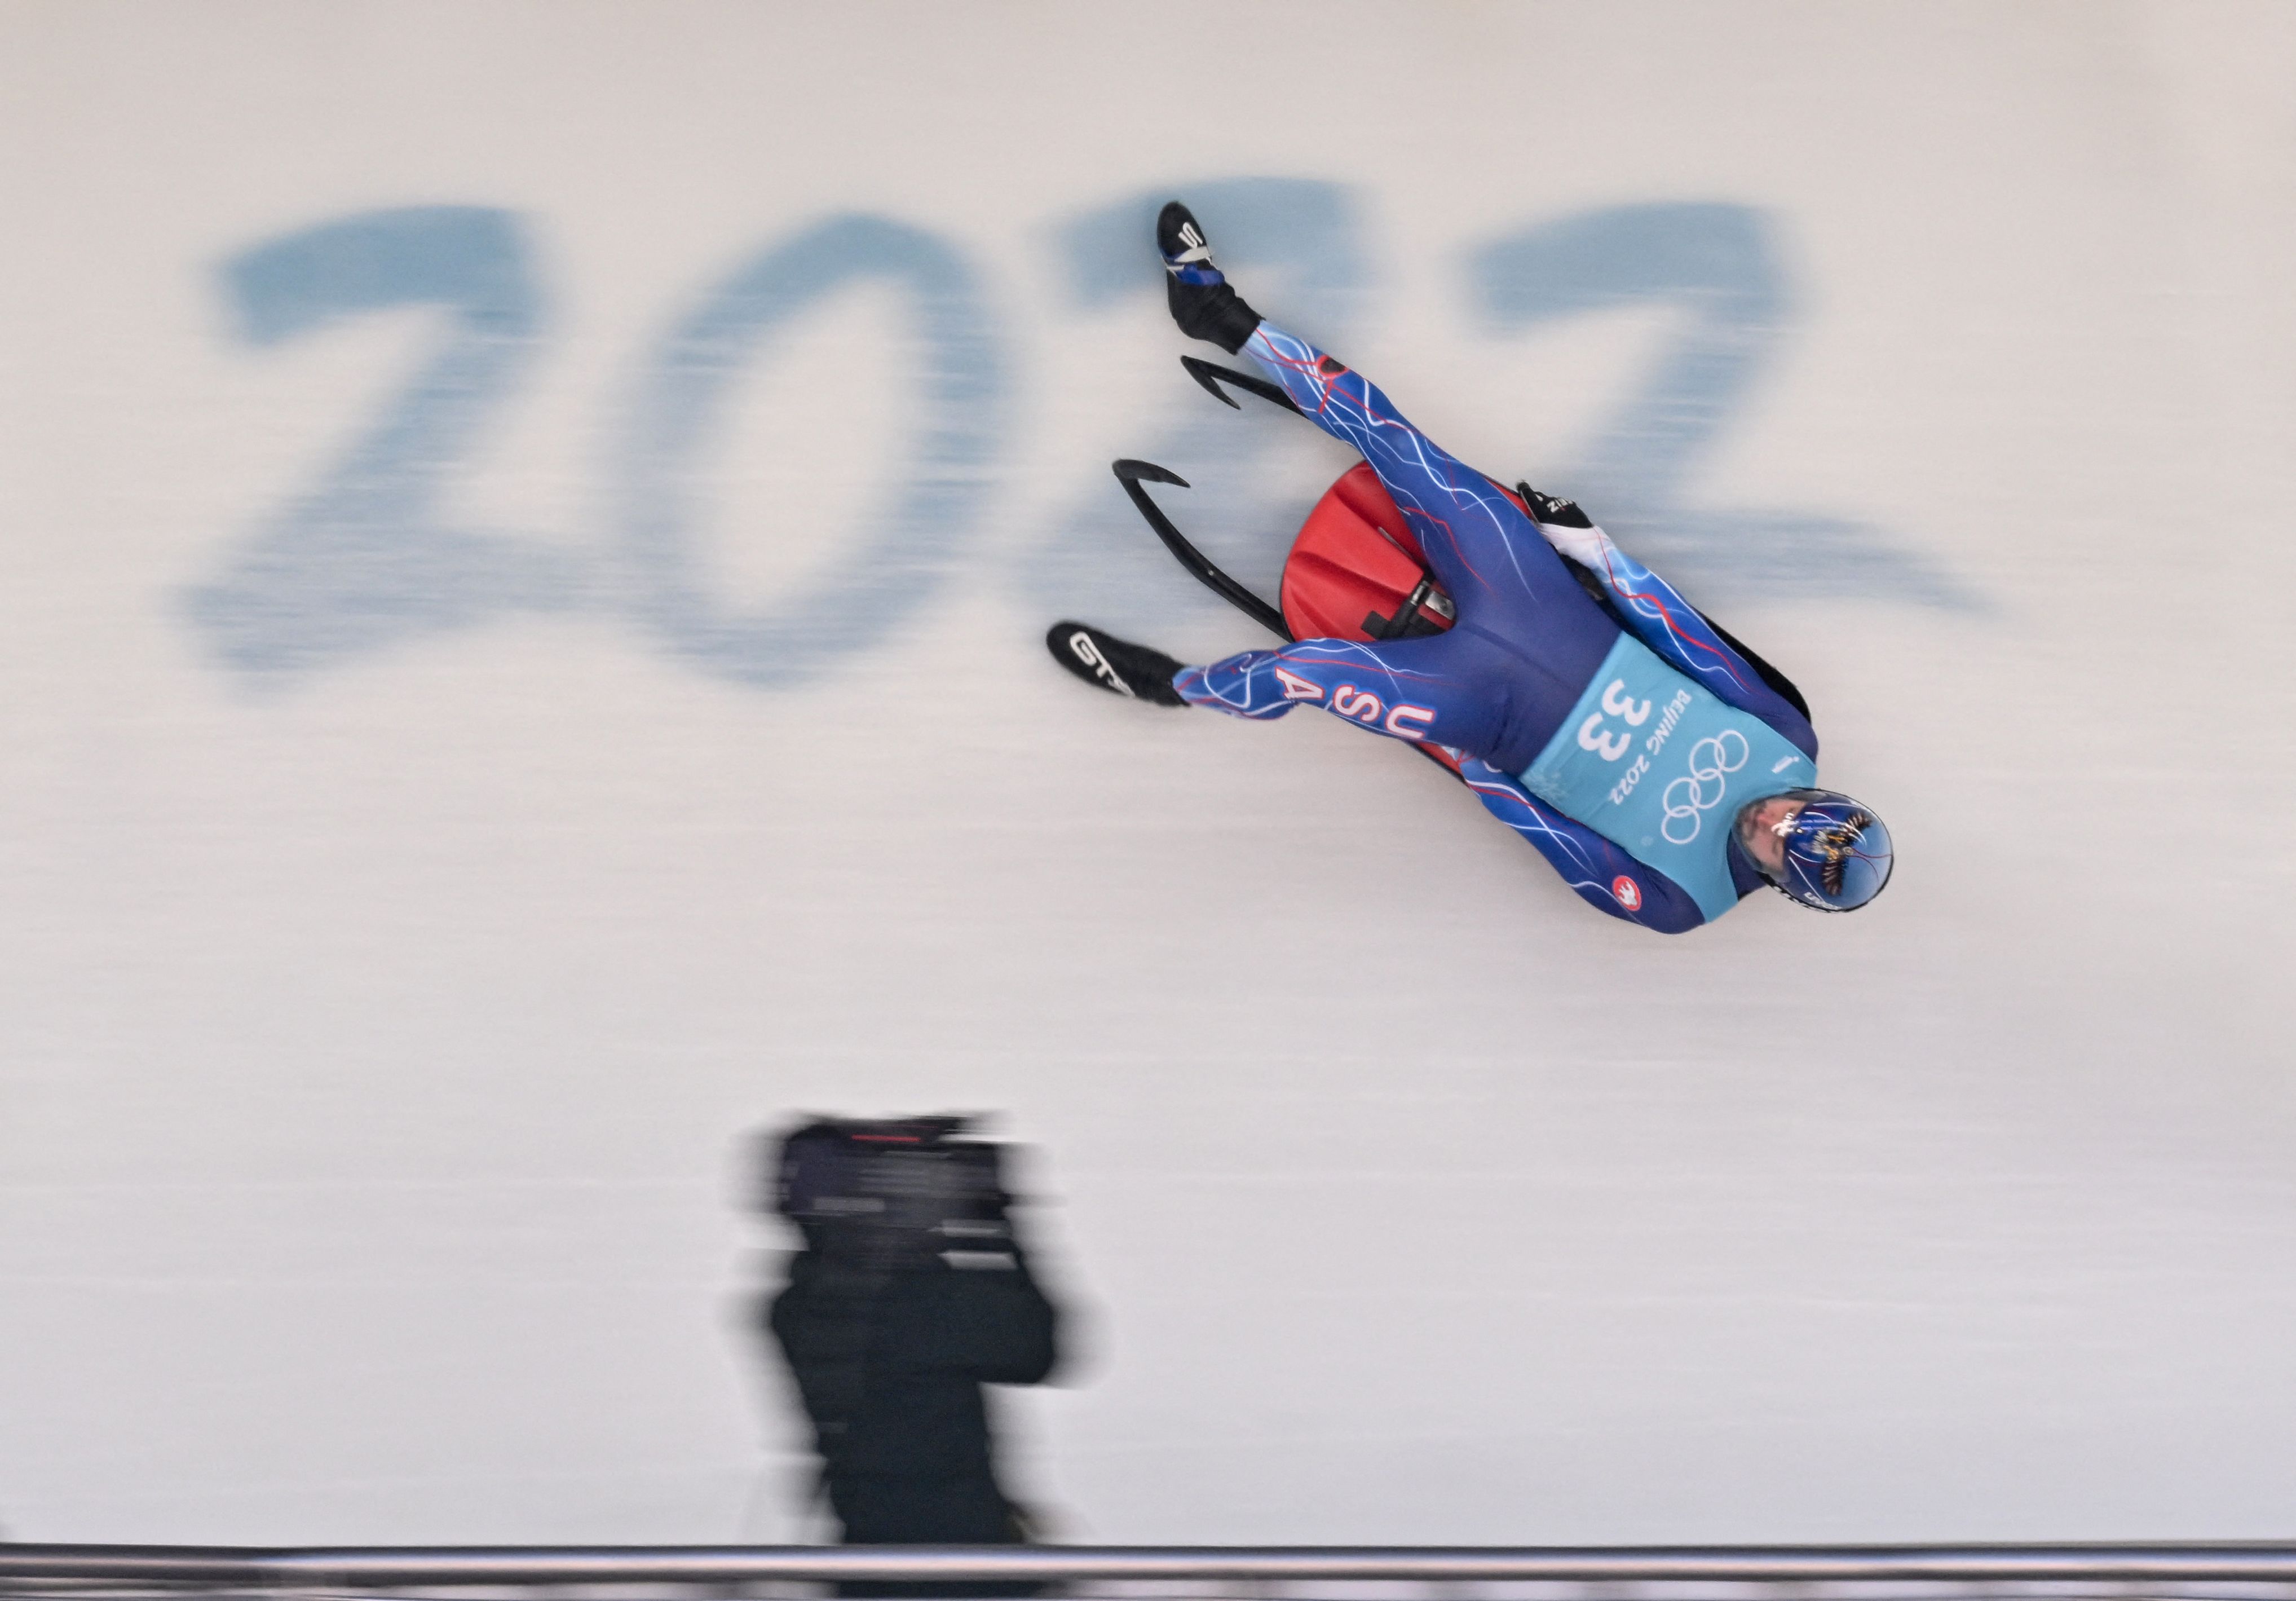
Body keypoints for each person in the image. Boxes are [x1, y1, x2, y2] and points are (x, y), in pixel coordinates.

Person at [1049, 201, 1893, 934]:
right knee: (1401, 443)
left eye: (1781, 847)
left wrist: (1463, 749)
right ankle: (1219, 313)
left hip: (1488, 709)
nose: (1773, 820)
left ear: (1783, 884)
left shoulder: (1682, 900)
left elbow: (1553, 837)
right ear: (1820, 796)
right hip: (1546, 608)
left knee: (1307, 674)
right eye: (1799, 813)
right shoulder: (1787, 737)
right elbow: (1685, 633)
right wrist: (1589, 547)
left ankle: (1171, 685)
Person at [757, 1117, 1060, 1595]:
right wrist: (1000, 1227)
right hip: (965, 1562)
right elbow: (1039, 1354)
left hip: (868, 1556)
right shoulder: (920, 1303)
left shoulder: (795, 1300)